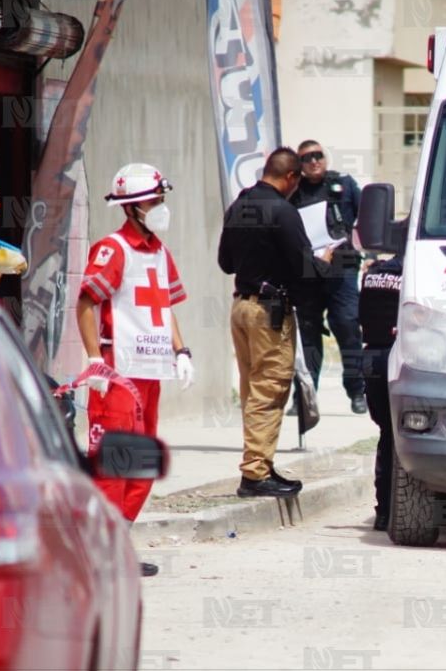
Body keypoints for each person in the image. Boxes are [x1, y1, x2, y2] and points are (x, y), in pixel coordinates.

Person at [76, 163, 193, 577]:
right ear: (132, 206)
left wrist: (183, 351)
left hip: (150, 372)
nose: (161, 206)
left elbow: (164, 307)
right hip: (117, 373)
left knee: (142, 466)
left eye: (162, 198)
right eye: (154, 200)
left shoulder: (159, 251)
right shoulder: (113, 250)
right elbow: (87, 303)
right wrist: (94, 360)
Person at [218, 147, 337, 497]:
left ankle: (261, 464)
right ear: (290, 177)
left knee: (252, 389)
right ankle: (255, 474)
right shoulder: (284, 211)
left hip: (241, 307)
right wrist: (326, 262)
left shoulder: (239, 205)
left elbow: (226, 262)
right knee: (269, 391)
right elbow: (305, 268)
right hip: (269, 312)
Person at [288, 140, 368, 414]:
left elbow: (367, 218)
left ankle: (358, 392)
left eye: (317, 155)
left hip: (342, 266)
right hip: (308, 270)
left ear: (325, 158)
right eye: (306, 158)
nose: (313, 161)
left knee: (347, 325)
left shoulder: (343, 185)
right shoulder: (292, 192)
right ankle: (305, 398)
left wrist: (369, 254)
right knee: (308, 334)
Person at [354, 250, 404, 531]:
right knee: (405, 436)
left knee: (387, 434)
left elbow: (360, 315)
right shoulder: (415, 274)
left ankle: (384, 511)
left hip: (372, 357)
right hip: (398, 358)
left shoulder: (373, 274)